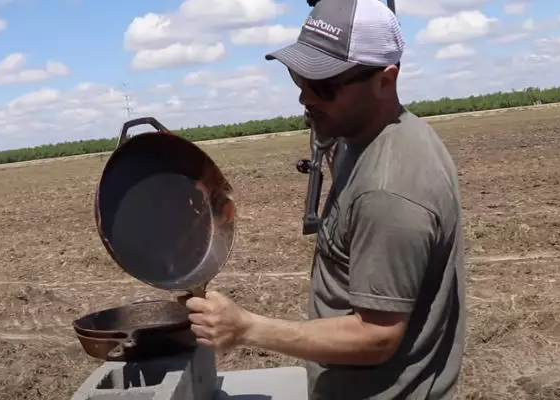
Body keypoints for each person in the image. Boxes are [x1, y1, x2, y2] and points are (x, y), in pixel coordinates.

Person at [182, 0, 466, 398]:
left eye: (325, 86)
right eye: (299, 77)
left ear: (386, 80)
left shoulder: (389, 191)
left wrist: (247, 327)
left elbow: (376, 336)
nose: (305, 99)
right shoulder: (364, 136)